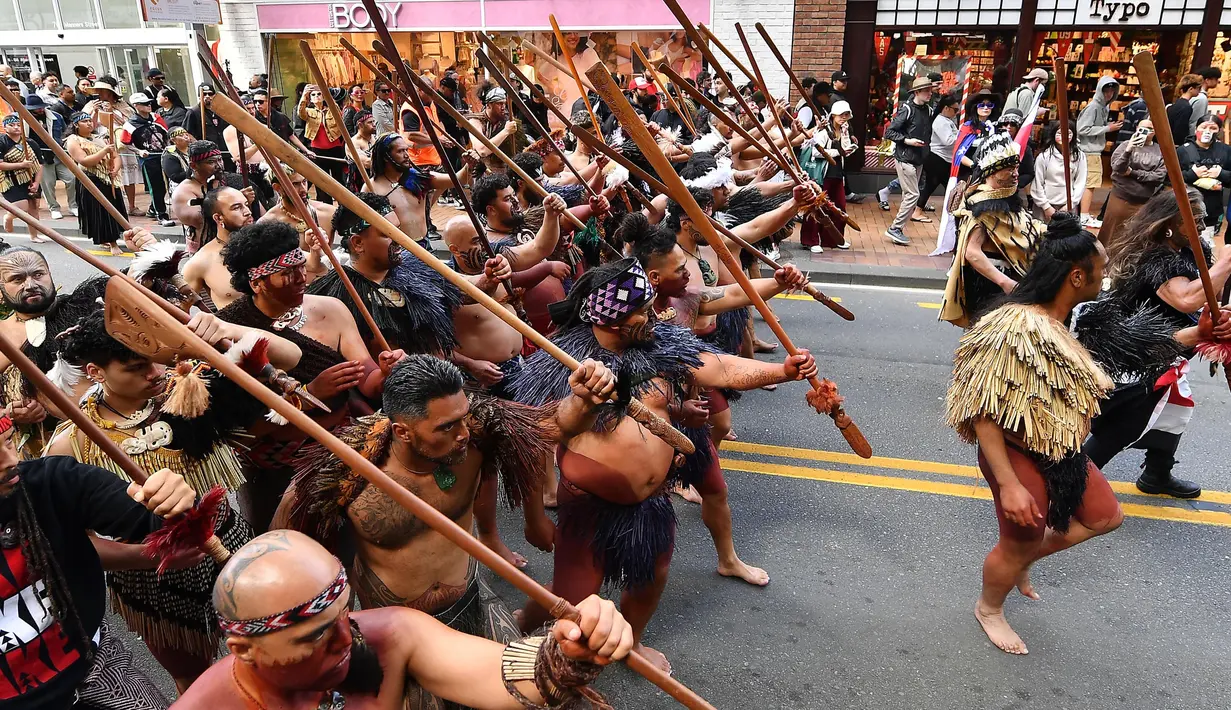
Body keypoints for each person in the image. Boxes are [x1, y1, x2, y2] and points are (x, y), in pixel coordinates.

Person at [510, 258, 817, 671]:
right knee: (574, 600)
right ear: (612, 319)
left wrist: (779, 370)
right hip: (589, 508)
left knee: (651, 579)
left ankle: (632, 641)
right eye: (641, 309)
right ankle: (534, 631)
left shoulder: (659, 343)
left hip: (652, 503)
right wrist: (581, 400)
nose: (653, 315)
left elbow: (719, 367)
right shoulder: (563, 364)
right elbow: (546, 431)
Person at [282, 353, 599, 661]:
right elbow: (287, 554)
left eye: (462, 417)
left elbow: (555, 422)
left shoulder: (479, 431)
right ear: (402, 432)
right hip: (397, 626)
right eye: (446, 427)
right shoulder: (346, 473)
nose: (463, 434)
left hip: (471, 600)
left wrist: (584, 399)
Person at [45, 306, 298, 691]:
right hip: (153, 578)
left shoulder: (191, 392)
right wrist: (142, 557)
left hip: (232, 542)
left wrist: (222, 329)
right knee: (194, 680)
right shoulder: (72, 443)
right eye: (135, 367)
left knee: (273, 656)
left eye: (157, 360)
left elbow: (289, 356)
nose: (155, 373)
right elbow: (61, 540)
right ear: (95, 372)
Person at [171, 529, 631, 709]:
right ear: (244, 649)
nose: (346, 641)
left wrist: (567, 648)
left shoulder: (388, 633)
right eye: (315, 636)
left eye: (344, 615)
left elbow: (501, 673)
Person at [946, 212, 1123, 655]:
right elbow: (982, 412)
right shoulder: (1012, 327)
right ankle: (989, 607)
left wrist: (1197, 333)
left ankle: (1023, 559)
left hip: (1061, 450)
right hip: (1012, 453)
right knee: (1017, 540)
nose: (1107, 277)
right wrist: (1008, 485)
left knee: (1104, 517)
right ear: (1077, 276)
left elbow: (1133, 343)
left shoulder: (1068, 318)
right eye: (1102, 271)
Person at [0, 405, 204, 709]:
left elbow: (175, 531)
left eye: (8, 440)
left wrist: (176, 504)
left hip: (92, 669)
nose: (11, 461)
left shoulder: (53, 482)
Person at [216, 220, 405, 532]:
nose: (301, 279)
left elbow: (367, 380)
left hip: (342, 449)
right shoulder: (229, 332)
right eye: (287, 274)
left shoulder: (330, 309)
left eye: (301, 267)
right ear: (257, 283)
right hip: (274, 467)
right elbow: (243, 429)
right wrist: (311, 394)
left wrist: (386, 373)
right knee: (280, 547)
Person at [1083, 188, 1231, 498]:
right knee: (1126, 423)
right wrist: (1227, 263)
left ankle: (1157, 473)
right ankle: (1071, 482)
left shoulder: (1194, 250)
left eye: (1204, 220)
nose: (1203, 227)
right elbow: (1185, 299)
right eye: (1195, 220)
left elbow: (1207, 297)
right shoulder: (1154, 257)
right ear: (1169, 225)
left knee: (1174, 411)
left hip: (1171, 350)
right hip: (1136, 354)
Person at [306, 192, 461, 358]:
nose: (400, 239)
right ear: (358, 243)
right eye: (388, 233)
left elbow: (463, 290)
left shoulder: (417, 268)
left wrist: (487, 280)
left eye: (398, 229)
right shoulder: (336, 297)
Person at [940, 132, 1045, 327]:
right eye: (1009, 169)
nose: (1016, 174)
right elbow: (972, 252)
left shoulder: (1006, 197)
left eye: (1016, 167)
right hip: (990, 286)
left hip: (1010, 278)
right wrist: (1005, 283)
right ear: (992, 172)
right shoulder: (980, 206)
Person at [366, 132, 460, 250]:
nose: (406, 155)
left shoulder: (419, 178)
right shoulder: (371, 187)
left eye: (406, 150)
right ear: (386, 157)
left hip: (425, 248)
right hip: (397, 251)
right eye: (400, 151)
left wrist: (470, 166)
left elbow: (457, 180)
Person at [258, 161, 337, 283]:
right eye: (295, 184)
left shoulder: (329, 212)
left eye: (304, 181)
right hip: (295, 289)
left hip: (332, 281)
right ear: (277, 188)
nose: (303, 189)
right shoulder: (267, 224)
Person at [182, 185, 254, 310]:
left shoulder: (270, 242)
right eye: (237, 207)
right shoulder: (201, 262)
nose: (248, 211)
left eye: (246, 204)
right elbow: (177, 310)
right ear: (218, 218)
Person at [64, 112, 126, 255]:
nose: (89, 123)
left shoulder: (99, 138)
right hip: (90, 179)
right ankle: (112, 243)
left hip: (108, 178)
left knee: (113, 210)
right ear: (76, 125)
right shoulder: (73, 140)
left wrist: (115, 169)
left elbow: (116, 157)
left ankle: (111, 237)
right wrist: (104, 151)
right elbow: (84, 160)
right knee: (101, 212)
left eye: (90, 121)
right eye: (84, 121)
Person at [883, 76, 935, 246]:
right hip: (906, 158)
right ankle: (895, 228)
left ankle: (898, 230)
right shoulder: (907, 110)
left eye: (930, 90)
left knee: (908, 194)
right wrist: (907, 141)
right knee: (913, 194)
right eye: (927, 90)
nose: (930, 93)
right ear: (917, 92)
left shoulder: (928, 110)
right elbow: (889, 132)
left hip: (918, 158)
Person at [1101, 119, 1166, 247]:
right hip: (1121, 197)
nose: (1146, 132)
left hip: (1144, 200)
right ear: (1137, 128)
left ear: (1155, 132)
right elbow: (1118, 168)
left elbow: (1159, 176)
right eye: (1143, 128)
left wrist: (1132, 173)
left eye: (1150, 129)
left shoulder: (1160, 150)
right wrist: (1129, 150)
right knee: (1110, 233)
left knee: (1134, 236)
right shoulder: (1125, 145)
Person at [802, 100, 857, 252]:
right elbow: (815, 152)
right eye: (841, 115)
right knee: (816, 207)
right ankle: (811, 240)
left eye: (846, 115)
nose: (844, 118)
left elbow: (845, 150)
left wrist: (847, 145)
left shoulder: (845, 131)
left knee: (839, 207)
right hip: (822, 176)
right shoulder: (824, 132)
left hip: (838, 175)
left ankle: (834, 239)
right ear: (833, 115)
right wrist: (837, 152)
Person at [120, 92, 175, 227]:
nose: (148, 105)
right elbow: (124, 143)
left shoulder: (156, 117)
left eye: (149, 103)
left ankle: (153, 208)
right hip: (148, 158)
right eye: (144, 104)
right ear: (136, 106)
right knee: (156, 186)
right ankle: (161, 214)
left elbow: (166, 134)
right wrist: (139, 151)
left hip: (164, 154)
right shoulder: (130, 124)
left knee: (167, 184)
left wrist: (170, 147)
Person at [1075, 76, 1121, 225]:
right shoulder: (1094, 107)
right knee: (1090, 183)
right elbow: (1082, 129)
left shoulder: (1102, 107)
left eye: (1111, 91)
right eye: (1106, 90)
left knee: (1087, 183)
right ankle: (1084, 215)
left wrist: (1107, 126)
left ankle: (1081, 215)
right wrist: (1108, 128)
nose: (1109, 94)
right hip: (1089, 151)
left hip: (1091, 150)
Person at [1179, 114, 1231, 241]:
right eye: (1204, 127)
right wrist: (1192, 174)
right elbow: (1169, 178)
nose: (1207, 131)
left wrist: (1221, 174)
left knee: (1206, 245)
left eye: (1213, 128)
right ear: (1196, 129)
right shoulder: (1183, 151)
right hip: (1186, 207)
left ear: (1219, 131)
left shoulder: (1226, 150)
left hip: (1212, 210)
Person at [25, 94, 74, 222]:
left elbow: (65, 132)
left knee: (71, 178)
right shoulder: (24, 120)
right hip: (41, 157)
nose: (40, 110)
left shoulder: (56, 117)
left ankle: (73, 205)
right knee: (48, 184)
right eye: (36, 108)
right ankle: (54, 208)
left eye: (41, 107)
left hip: (59, 154)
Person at [1031, 120, 1086, 221]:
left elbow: (1080, 183)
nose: (1064, 136)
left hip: (1068, 205)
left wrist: (1070, 205)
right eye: (1060, 133)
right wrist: (1046, 207)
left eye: (1068, 133)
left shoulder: (1079, 156)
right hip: (1045, 206)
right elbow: (1037, 183)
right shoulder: (1044, 156)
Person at [920, 94, 961, 212]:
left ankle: (918, 210)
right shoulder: (940, 121)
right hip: (938, 158)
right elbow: (948, 140)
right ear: (946, 108)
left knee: (934, 185)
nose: (956, 113)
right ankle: (954, 209)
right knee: (936, 185)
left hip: (944, 158)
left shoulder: (947, 121)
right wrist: (960, 137)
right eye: (955, 110)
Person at [0, 114, 39, 236]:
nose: (16, 127)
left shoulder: (30, 142)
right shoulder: (2, 142)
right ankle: (9, 217)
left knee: (34, 208)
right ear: (5, 127)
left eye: (18, 125)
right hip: (10, 179)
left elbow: (40, 164)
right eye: (12, 125)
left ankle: (34, 235)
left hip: (30, 178)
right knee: (22, 206)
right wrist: (21, 165)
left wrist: (37, 182)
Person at [186, 84, 234, 171]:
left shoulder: (221, 110)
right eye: (204, 94)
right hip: (208, 155)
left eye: (210, 94)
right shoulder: (194, 112)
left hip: (225, 152)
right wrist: (201, 147)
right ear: (199, 96)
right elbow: (188, 133)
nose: (207, 96)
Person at [1167, 74, 1202, 146]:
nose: (1199, 91)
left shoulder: (1176, 103)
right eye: (1198, 88)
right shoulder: (1186, 107)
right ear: (1191, 89)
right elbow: (1181, 129)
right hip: (1177, 144)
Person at [1190, 67, 1221, 139]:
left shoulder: (1198, 96)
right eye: (1215, 79)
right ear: (1207, 80)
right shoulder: (1201, 98)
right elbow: (1195, 122)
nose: (1218, 82)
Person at [161, 125, 192, 194]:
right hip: (180, 189)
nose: (186, 137)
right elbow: (176, 177)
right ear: (173, 140)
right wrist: (197, 171)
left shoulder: (195, 150)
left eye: (186, 134)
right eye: (181, 135)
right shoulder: (170, 155)